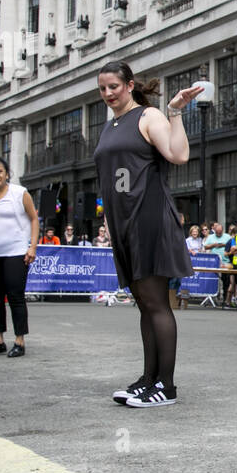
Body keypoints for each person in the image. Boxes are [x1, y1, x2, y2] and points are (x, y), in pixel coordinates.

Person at [93, 61, 199, 409]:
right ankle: (148, 378)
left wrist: (174, 113)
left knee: (156, 304)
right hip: (124, 225)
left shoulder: (148, 116)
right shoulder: (112, 124)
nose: (108, 93)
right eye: (103, 88)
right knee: (144, 306)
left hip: (149, 219)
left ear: (129, 85)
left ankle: (166, 386)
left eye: (114, 87)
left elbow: (179, 155)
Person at [0, 154, 38, 357]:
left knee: (15, 296)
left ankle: (19, 341)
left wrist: (32, 247)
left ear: (7, 173)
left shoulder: (19, 193)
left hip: (15, 252)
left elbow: (34, 219)